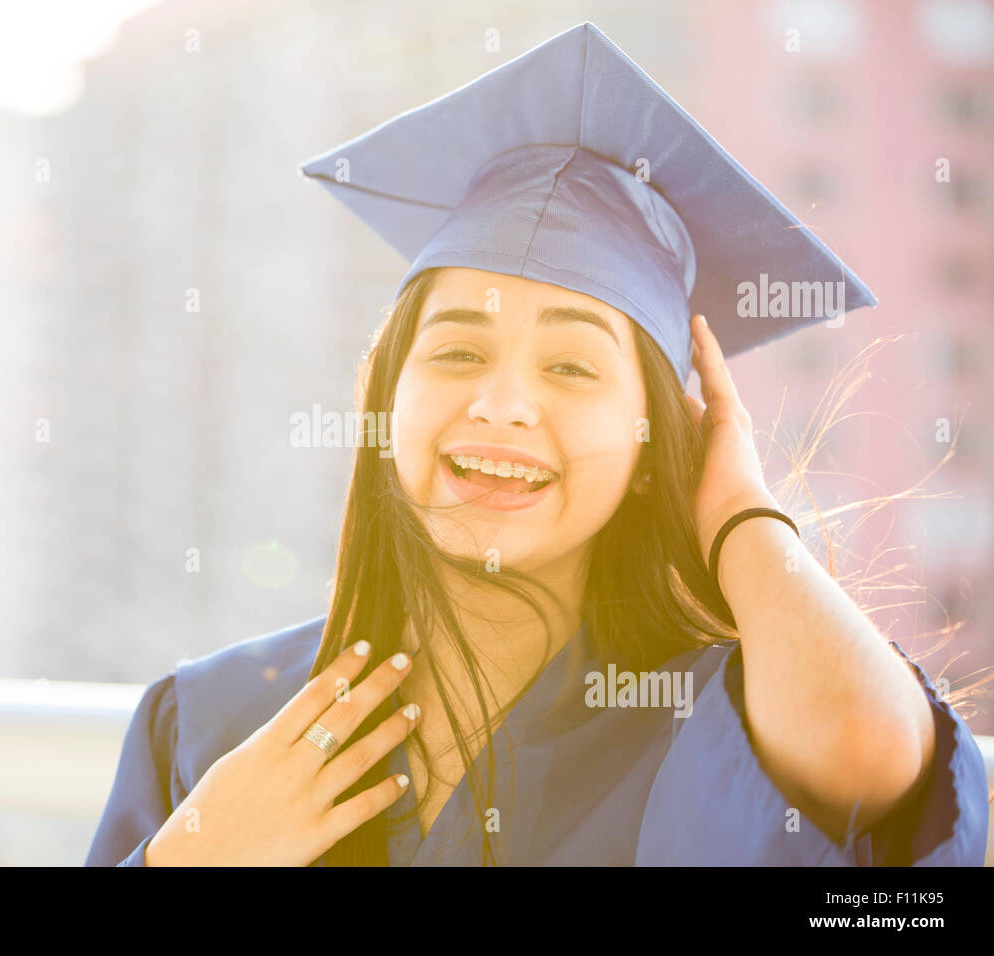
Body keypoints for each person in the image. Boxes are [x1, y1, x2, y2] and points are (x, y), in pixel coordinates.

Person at [85, 22, 990, 866]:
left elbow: (870, 761)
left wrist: (740, 516)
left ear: (653, 444)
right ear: (385, 397)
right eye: (458, 351)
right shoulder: (209, 721)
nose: (504, 402)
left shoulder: (711, 723)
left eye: (571, 368)